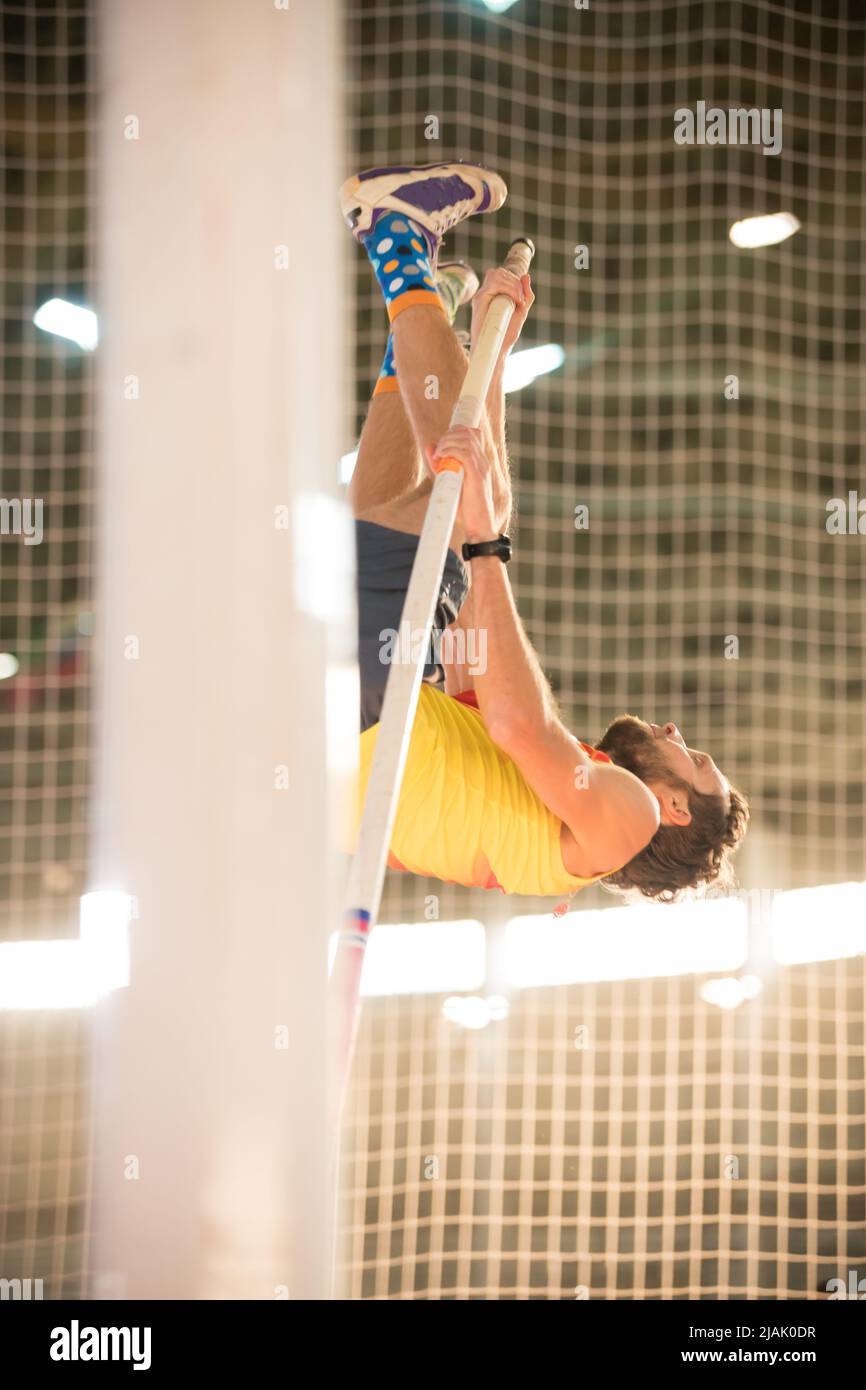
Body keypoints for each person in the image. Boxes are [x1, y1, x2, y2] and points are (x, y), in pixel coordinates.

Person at [342, 161, 748, 904]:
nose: (674, 729)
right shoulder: (543, 820)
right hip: (336, 749)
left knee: (466, 532)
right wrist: (485, 365)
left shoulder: (630, 816)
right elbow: (465, 579)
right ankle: (417, 325)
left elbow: (520, 722)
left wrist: (488, 537)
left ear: (678, 807)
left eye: (693, 757)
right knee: (424, 537)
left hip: (363, 723)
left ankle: (397, 240)